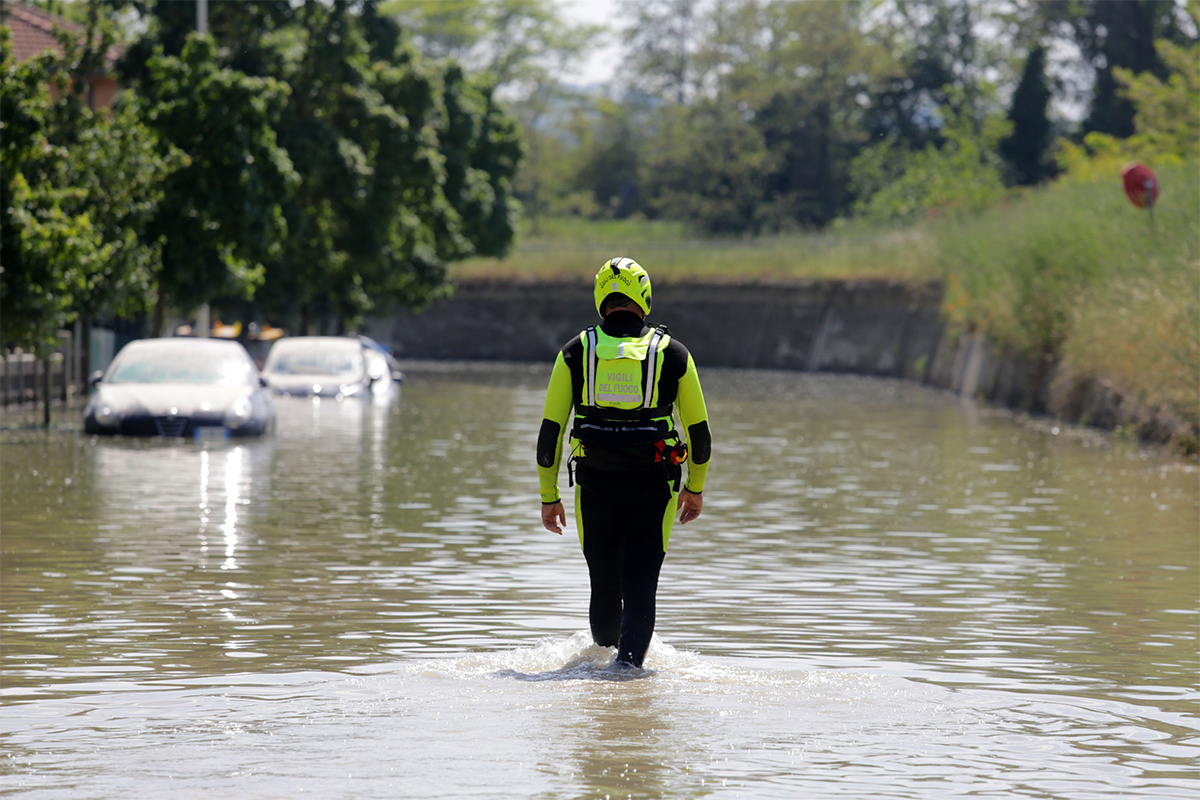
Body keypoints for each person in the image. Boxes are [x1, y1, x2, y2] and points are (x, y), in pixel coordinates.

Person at [536, 257, 712, 669]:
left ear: (601, 297)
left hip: (594, 483)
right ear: (644, 296)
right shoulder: (674, 354)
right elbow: (700, 435)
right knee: (640, 585)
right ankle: (627, 674)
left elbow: (550, 434)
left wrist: (549, 496)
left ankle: (601, 670)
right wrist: (695, 488)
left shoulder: (575, 352)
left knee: (604, 584)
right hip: (655, 483)